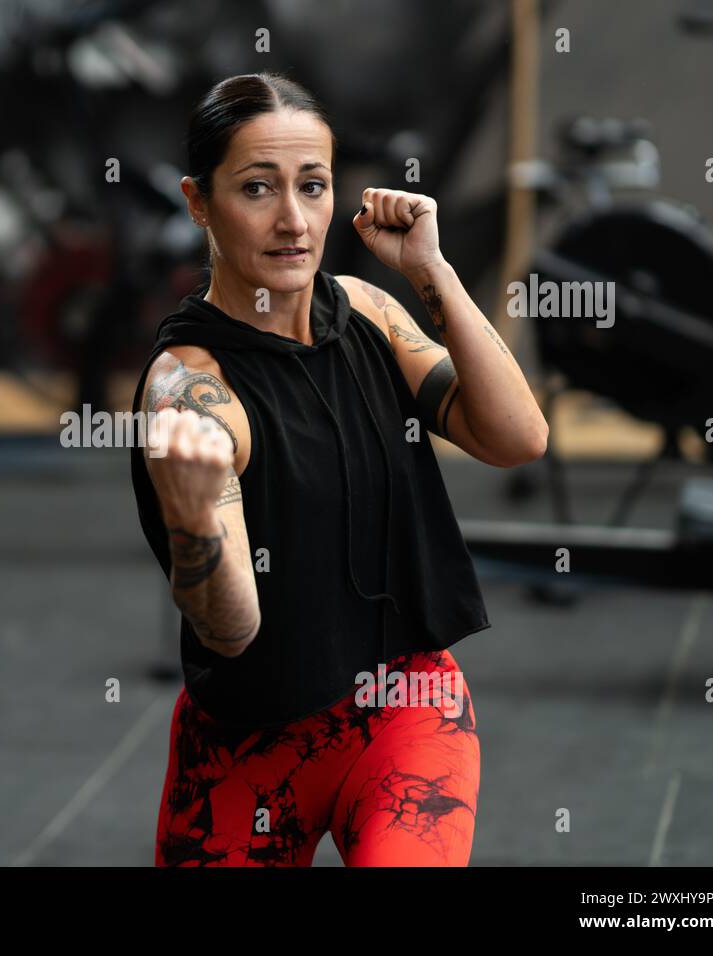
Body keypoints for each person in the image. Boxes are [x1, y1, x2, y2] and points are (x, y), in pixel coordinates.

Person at [129, 72, 549, 866]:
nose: (293, 219)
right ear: (198, 202)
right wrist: (190, 519)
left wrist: (432, 271)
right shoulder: (193, 393)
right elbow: (230, 630)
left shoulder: (369, 312)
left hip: (407, 708)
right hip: (247, 748)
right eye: (258, 188)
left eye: (313, 186)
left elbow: (518, 437)